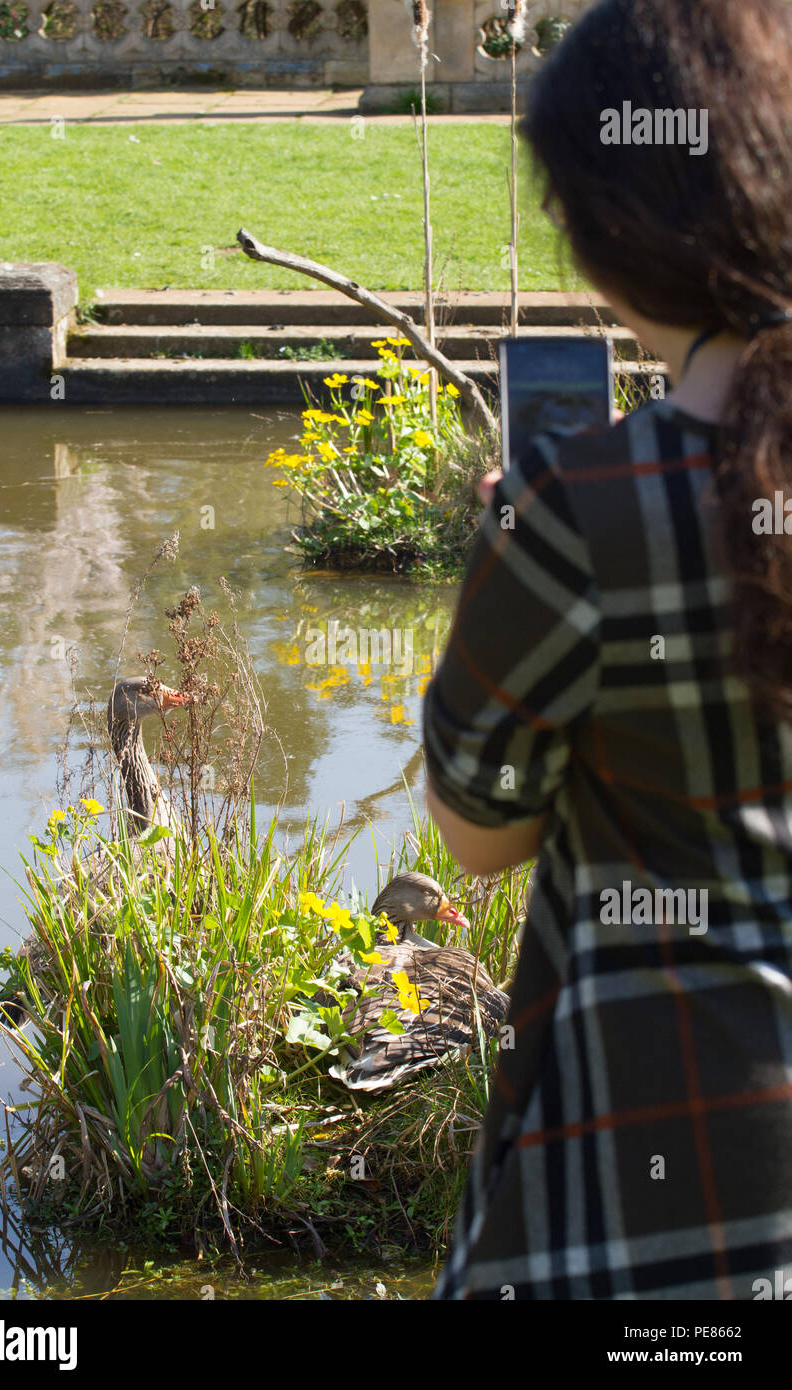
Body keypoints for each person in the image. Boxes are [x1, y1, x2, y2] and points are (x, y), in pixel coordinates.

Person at [423, 0, 792, 1299]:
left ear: (603, 237)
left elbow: (479, 831)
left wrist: (509, 561)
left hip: (646, 1194)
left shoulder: (579, 510)